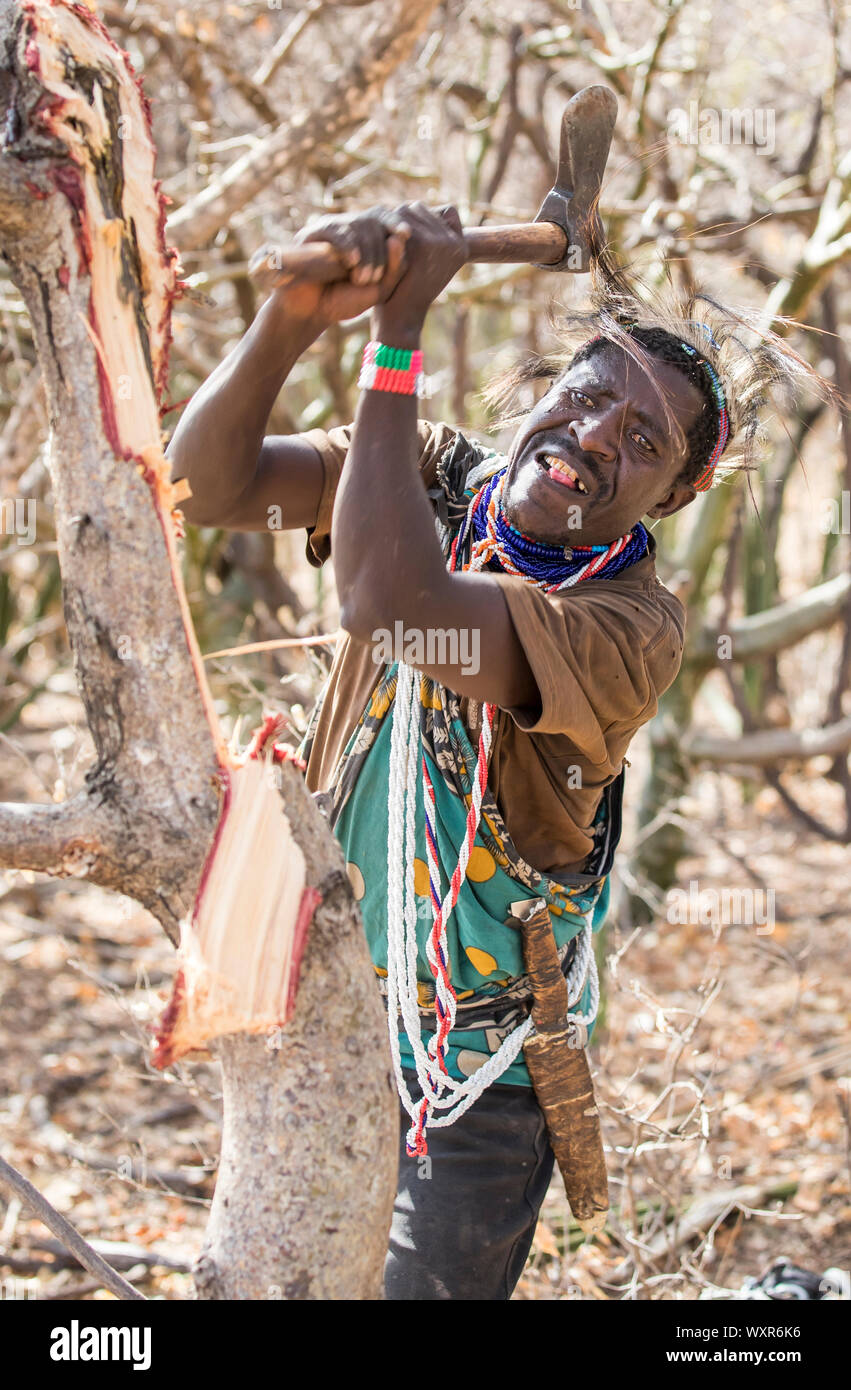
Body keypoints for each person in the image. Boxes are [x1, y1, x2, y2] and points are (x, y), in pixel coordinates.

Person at [166, 201, 824, 1300]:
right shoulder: (431, 478)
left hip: (472, 1074)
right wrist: (295, 316)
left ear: (676, 496)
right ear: (543, 392)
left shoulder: (628, 630)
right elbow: (203, 488)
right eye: (586, 396)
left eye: (642, 444)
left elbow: (390, 602)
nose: (594, 438)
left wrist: (396, 333)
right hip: (321, 1012)